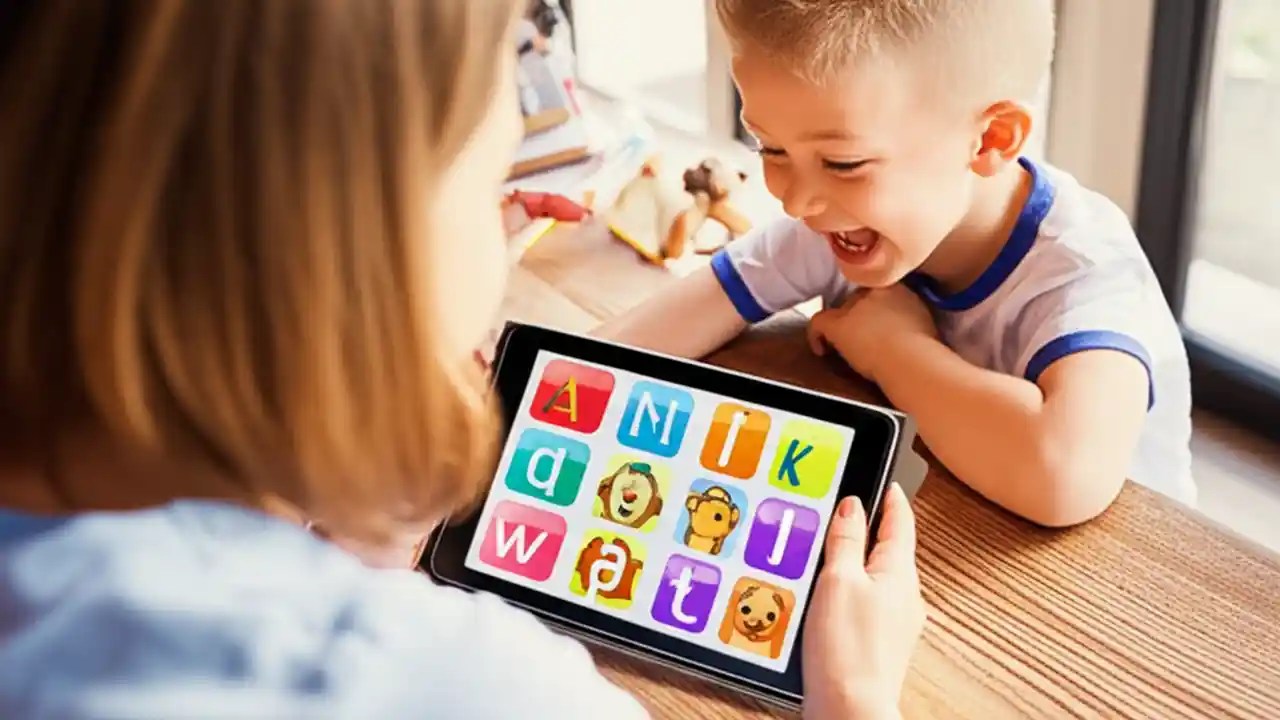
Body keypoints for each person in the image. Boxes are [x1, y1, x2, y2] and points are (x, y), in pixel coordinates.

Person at [0, 1, 924, 718]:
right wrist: (857, 703)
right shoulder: (452, 685)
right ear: (361, 253)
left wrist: (355, 555)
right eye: (493, 183)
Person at [597, 0, 1194, 527]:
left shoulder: (1086, 272)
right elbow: (654, 329)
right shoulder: (839, 218)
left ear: (989, 141)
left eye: (844, 162)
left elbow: (1064, 476)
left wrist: (892, 350)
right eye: (771, 147)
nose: (796, 199)